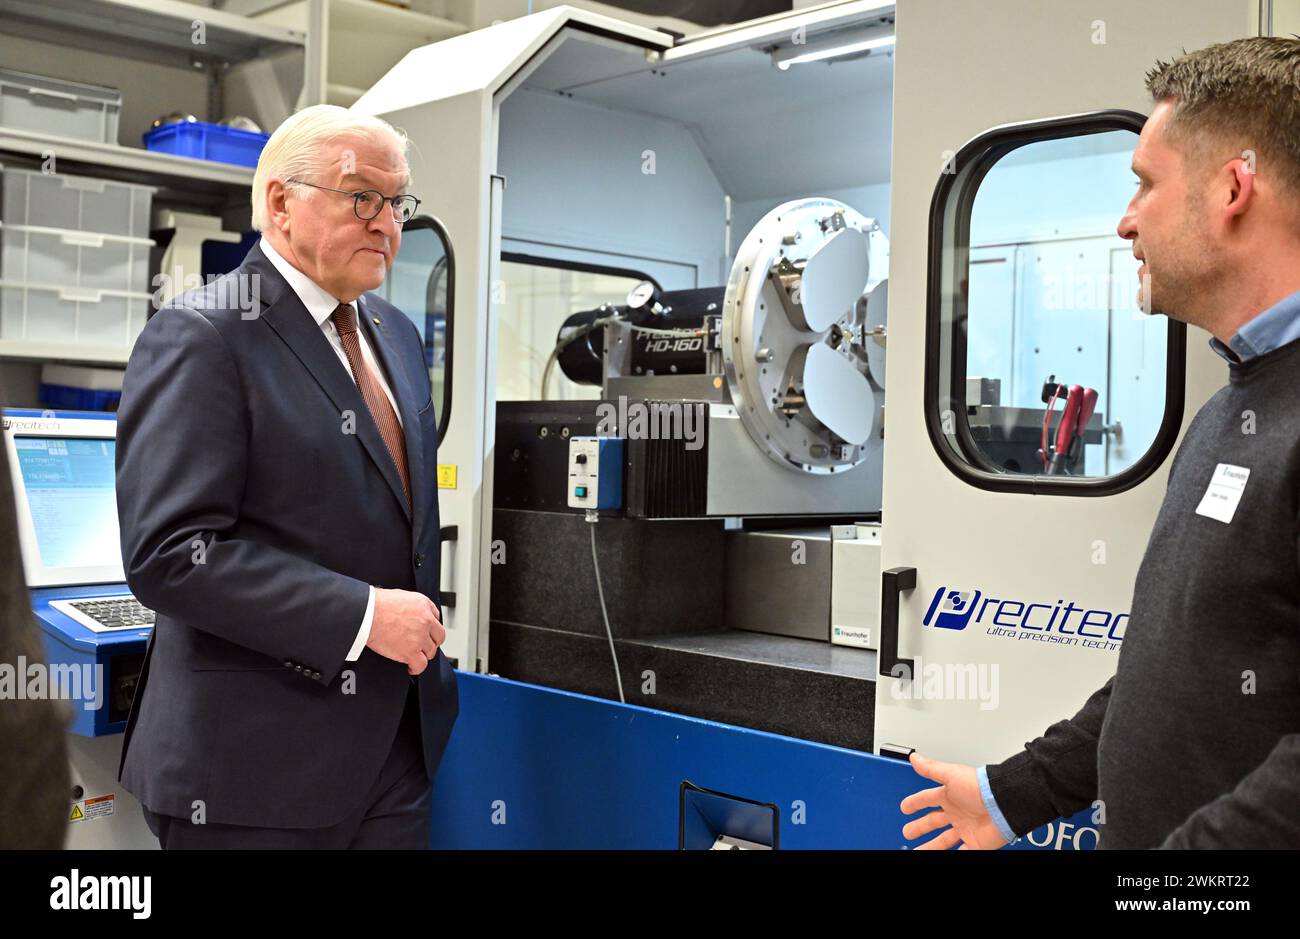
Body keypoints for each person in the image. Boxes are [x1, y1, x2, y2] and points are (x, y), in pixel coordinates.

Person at [901, 36, 1300, 849]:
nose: (1125, 221)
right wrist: (1016, 791)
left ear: (1233, 188)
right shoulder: (1229, 411)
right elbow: (1174, 666)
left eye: (1146, 183)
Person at [115, 105, 457, 848]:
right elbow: (171, 555)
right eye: (361, 197)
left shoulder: (394, 335)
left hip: (395, 752)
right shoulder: (204, 334)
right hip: (251, 770)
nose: (386, 223)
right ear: (279, 202)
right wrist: (365, 615)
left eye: (397, 202)